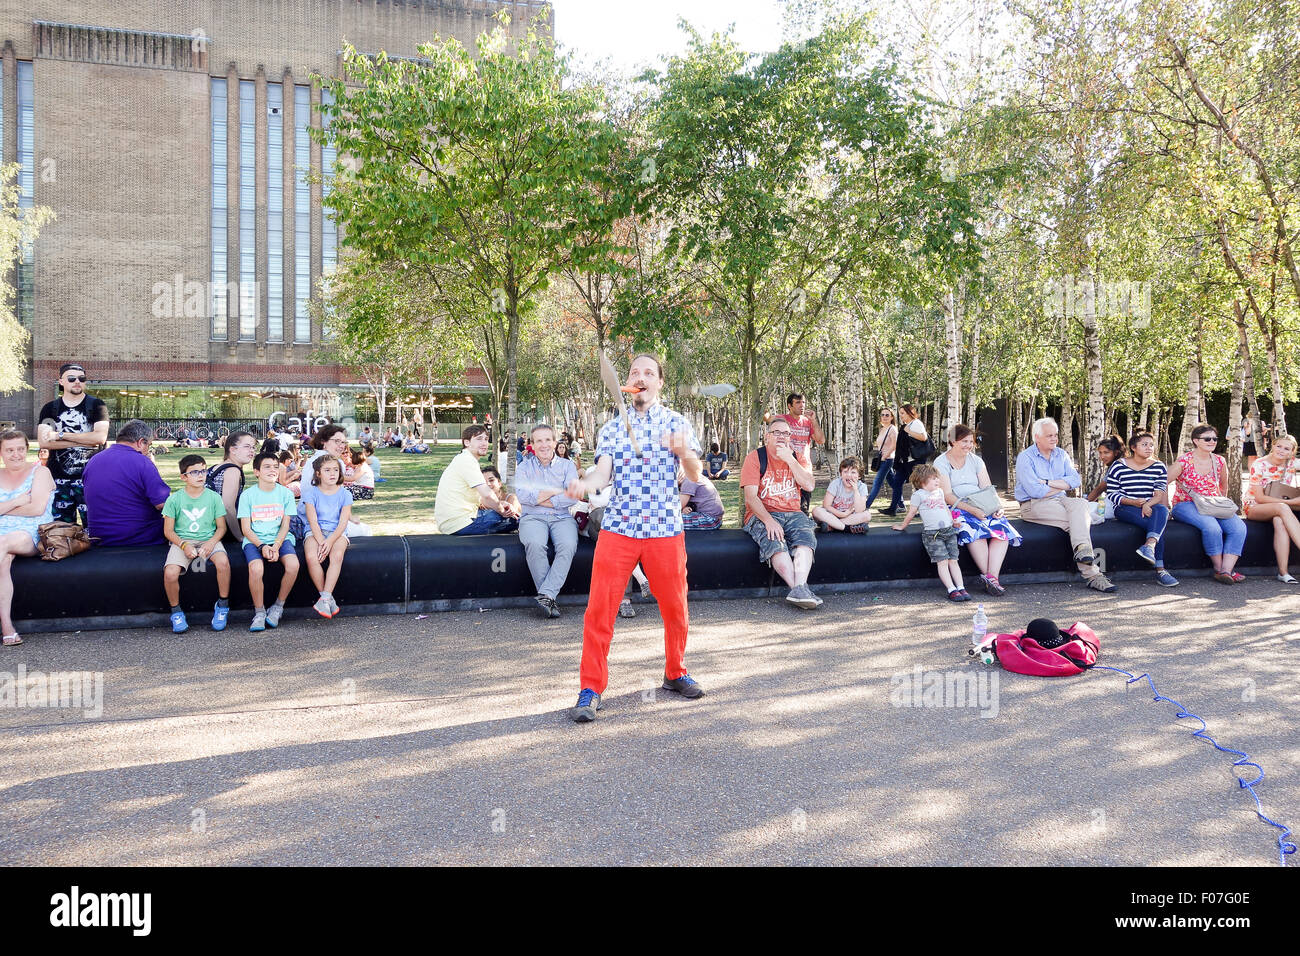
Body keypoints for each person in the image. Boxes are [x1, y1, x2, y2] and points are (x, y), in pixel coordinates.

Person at [563, 354, 706, 722]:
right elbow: (602, 476)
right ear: (627, 383)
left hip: (664, 530)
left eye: (648, 373)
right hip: (620, 529)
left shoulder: (677, 422)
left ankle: (675, 672)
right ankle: (591, 688)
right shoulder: (612, 428)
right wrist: (584, 485)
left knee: (676, 608)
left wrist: (682, 450)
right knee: (599, 610)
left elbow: (695, 471)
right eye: (634, 373)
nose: (640, 377)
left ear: (659, 382)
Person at [1014, 417, 1116, 593]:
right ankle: (1093, 575)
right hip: (1033, 504)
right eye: (1049, 436)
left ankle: (1083, 550)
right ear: (1037, 437)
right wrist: (1061, 484)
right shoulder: (1026, 457)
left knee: (1081, 503)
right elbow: (1035, 491)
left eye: (1056, 435)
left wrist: (1046, 482)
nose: (1054, 439)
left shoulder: (1061, 454)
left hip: (1060, 500)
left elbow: (1075, 480)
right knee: (1078, 521)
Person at [741, 418, 822, 609]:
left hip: (793, 512)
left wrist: (790, 459)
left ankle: (799, 589)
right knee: (774, 539)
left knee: (805, 539)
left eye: (786, 433)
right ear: (767, 436)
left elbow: (809, 485)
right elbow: (751, 498)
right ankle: (799, 589)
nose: (781, 437)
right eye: (777, 432)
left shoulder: (797, 457)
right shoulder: (755, 458)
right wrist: (768, 521)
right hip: (763, 512)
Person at [935, 425, 1022, 594]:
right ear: (953, 441)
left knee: (1002, 530)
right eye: (964, 441)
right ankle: (991, 579)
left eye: (970, 441)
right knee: (976, 532)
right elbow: (947, 495)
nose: (969, 445)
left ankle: (992, 578)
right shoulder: (941, 462)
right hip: (957, 506)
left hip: (981, 504)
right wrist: (972, 510)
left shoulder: (976, 461)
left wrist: (997, 507)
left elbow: (987, 488)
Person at [514, 424, 580, 618]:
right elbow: (523, 496)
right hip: (532, 517)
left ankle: (547, 594)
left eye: (547, 440)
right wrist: (556, 491)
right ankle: (548, 597)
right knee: (535, 544)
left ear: (554, 442)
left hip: (562, 517)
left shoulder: (567, 466)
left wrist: (541, 498)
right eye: (539, 441)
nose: (544, 445)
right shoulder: (524, 466)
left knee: (568, 545)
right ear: (532, 444)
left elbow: (573, 496)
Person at [161, 454, 232, 633]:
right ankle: (176, 612)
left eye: (203, 470)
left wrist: (210, 544)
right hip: (183, 541)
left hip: (209, 539)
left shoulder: (214, 497)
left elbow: (221, 528)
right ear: (183, 477)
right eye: (194, 472)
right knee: (170, 573)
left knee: (223, 563)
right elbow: (168, 531)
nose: (201, 475)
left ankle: (222, 605)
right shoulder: (174, 499)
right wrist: (184, 545)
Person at [1169, 424, 1247, 585]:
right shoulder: (1184, 460)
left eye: (1214, 439)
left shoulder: (1219, 460)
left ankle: (1227, 569)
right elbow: (1163, 482)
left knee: (1238, 527)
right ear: (1196, 441)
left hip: (1212, 503)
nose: (1212, 441)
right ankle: (1220, 569)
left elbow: (1223, 486)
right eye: (1207, 439)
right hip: (1186, 504)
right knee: (1212, 527)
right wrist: (1164, 506)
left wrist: (1221, 507)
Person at [37, 362, 109, 524]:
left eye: (81, 378)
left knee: (95, 531)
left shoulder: (97, 406)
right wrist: (84, 441)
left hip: (91, 478)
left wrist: (60, 435)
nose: (77, 381)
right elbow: (44, 441)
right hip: (58, 480)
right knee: (61, 532)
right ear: (61, 381)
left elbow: (99, 438)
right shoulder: (50, 408)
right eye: (71, 378)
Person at [0, 430, 54, 646]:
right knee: (3, 561)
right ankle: (7, 627)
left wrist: (2, 509)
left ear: (27, 449)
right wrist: (16, 501)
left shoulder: (40, 472)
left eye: (20, 449)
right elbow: (26, 504)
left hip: (29, 532)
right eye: (9, 450)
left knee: (3, 543)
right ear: (1, 452)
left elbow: (36, 508)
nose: (16, 454)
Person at [82, 420, 172, 547]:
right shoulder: (142, 462)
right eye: (149, 446)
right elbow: (163, 504)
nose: (148, 451)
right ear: (141, 442)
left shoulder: (93, 461)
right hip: (140, 538)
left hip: (99, 536)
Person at [237, 451, 301, 630]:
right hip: (255, 540)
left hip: (280, 539)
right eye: (267, 466)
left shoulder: (286, 494)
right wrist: (262, 546)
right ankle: (259, 612)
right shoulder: (248, 496)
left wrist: (276, 545)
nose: (272, 470)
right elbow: (246, 529)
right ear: (256, 471)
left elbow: (285, 525)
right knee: (256, 569)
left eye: (275, 466)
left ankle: (278, 607)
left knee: (293, 565)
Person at [1105, 431, 1177, 587]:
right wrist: (1133, 502)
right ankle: (1161, 570)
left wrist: (1146, 504)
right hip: (1125, 507)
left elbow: (1159, 493)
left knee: (1163, 511)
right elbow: (1112, 493)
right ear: (1133, 447)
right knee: (1158, 528)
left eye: (1151, 445)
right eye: (1144, 444)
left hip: (1149, 506)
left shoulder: (1158, 466)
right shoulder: (1119, 466)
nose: (1149, 448)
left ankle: (1149, 546)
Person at [894, 463, 971, 601]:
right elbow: (911, 513)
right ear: (923, 480)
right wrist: (902, 525)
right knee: (942, 561)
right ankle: (951, 589)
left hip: (949, 531)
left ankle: (961, 587)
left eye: (937, 478)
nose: (938, 480)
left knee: (953, 560)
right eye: (933, 478)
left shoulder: (940, 492)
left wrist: (952, 521)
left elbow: (945, 509)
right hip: (933, 534)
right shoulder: (918, 495)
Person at [435, 424, 519, 535]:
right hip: (460, 523)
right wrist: (502, 511)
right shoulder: (466, 460)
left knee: (508, 514)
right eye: (479, 439)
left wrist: (501, 504)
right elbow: (487, 495)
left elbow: (481, 499)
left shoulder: (463, 459)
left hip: (452, 522)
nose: (484, 443)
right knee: (518, 518)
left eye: (486, 439)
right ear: (467, 443)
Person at [1241, 432, 1300, 583]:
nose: (1281, 450)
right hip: (1254, 506)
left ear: (1291, 452)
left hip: (1279, 507)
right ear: (1272, 446)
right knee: (1282, 509)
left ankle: (1283, 572)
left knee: (1280, 521)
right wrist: (1293, 502)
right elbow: (1259, 498)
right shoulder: (1259, 464)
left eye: (1286, 449)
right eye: (1278, 446)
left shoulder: (1292, 463)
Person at [301, 455, 353, 618]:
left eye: (336, 470)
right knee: (312, 557)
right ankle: (326, 598)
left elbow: (343, 522)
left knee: (336, 555)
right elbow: (313, 521)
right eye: (327, 470)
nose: (332, 473)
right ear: (318, 473)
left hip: (337, 532)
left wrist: (330, 541)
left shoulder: (345, 494)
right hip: (315, 531)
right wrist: (321, 541)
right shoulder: (311, 494)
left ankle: (324, 597)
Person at [765, 393, 825, 513]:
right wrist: (763, 406)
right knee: (785, 504)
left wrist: (813, 420)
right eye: (797, 403)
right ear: (789, 406)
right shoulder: (783, 419)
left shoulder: (808, 422)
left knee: (803, 507)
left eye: (803, 402)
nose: (801, 405)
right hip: (786, 470)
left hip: (804, 469)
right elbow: (767, 418)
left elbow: (820, 440)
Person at [206, 431, 258, 543]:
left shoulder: (216, 467)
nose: (252, 450)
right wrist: (239, 536)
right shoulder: (233, 471)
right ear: (233, 449)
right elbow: (228, 507)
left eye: (253, 447)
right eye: (247, 447)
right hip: (218, 529)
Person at [884, 404, 930, 516]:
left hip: (916, 460)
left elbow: (924, 437)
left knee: (919, 485)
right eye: (900, 413)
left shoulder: (916, 423)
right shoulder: (906, 425)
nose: (901, 416)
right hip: (905, 461)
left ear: (910, 413)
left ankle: (923, 509)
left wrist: (908, 430)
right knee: (897, 482)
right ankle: (893, 508)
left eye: (903, 413)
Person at [812, 456, 871, 533]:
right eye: (845, 472)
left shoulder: (862, 487)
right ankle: (847, 528)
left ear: (859, 476)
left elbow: (860, 510)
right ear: (841, 474)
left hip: (850, 517)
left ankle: (833, 526)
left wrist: (856, 490)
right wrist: (842, 514)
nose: (849, 475)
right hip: (832, 515)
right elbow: (826, 505)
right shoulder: (835, 484)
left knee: (867, 515)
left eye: (853, 472)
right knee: (816, 511)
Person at [864, 408, 898, 511]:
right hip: (883, 459)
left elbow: (895, 445)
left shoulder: (892, 429)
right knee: (893, 483)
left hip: (887, 459)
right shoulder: (883, 429)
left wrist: (884, 456)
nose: (884, 417)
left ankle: (866, 506)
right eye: (882, 415)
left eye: (887, 415)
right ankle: (901, 505)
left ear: (892, 417)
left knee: (877, 482)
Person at [1086, 437, 1123, 521]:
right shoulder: (1120, 462)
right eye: (1100, 453)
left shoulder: (1116, 465)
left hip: (1116, 505)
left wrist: (1084, 503)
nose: (1102, 456)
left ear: (1116, 452)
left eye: (1106, 452)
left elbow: (1100, 488)